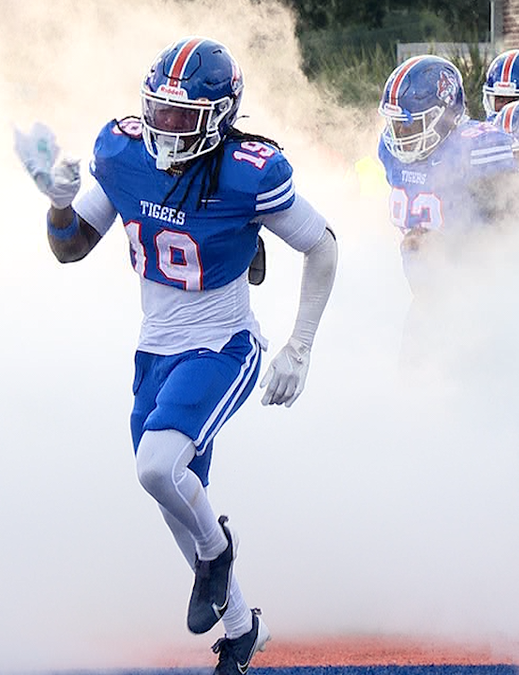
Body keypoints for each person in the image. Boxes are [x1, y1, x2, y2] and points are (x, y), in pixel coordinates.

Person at [13, 36, 338, 675]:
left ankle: (219, 553)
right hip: (154, 349)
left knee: (157, 467)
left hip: (222, 346)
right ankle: (243, 630)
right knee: (172, 493)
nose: (164, 129)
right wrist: (56, 202)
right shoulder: (125, 153)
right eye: (158, 112)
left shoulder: (248, 172)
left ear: (219, 119)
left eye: (181, 117)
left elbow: (322, 244)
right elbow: (72, 246)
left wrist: (299, 347)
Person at [377, 54, 517, 300]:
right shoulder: (391, 152)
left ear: (442, 116)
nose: (399, 134)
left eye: (408, 124)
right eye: (395, 123)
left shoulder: (477, 149)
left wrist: (450, 247)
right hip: (426, 298)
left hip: (479, 298)